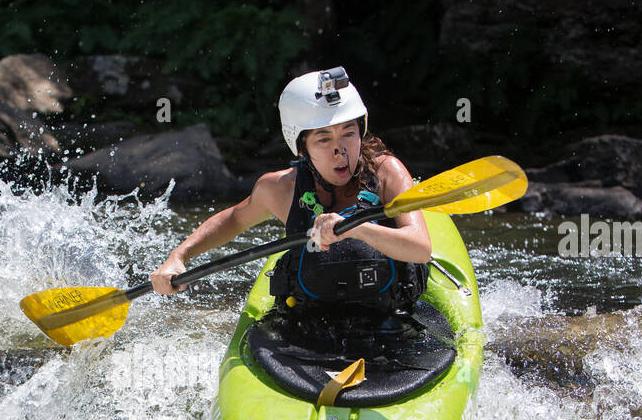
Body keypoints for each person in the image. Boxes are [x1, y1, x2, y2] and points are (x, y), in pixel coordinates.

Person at [150, 67, 432, 326]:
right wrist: (179, 255)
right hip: (311, 323)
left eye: (349, 133)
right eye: (323, 139)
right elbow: (234, 220)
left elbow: (420, 248)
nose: (340, 149)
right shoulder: (280, 189)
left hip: (390, 319)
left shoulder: (386, 173)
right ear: (301, 148)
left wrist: (357, 228)